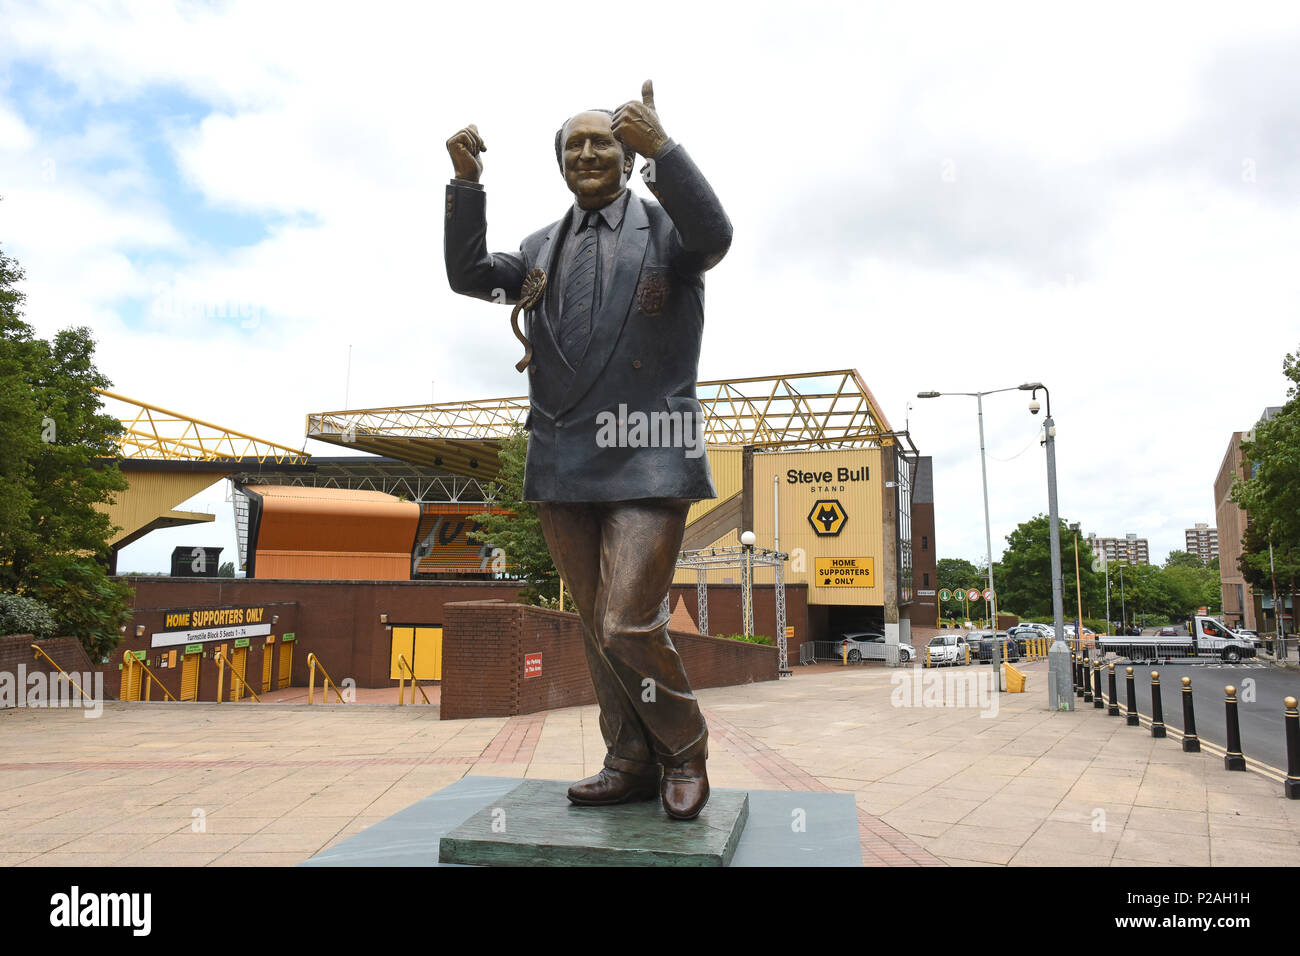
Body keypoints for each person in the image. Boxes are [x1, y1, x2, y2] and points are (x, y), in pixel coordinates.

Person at [443, 81, 732, 820]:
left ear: (628, 155)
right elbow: (470, 276)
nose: (587, 153)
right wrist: (466, 186)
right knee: (597, 628)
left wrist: (666, 148)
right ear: (561, 165)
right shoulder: (542, 246)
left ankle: (684, 746)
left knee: (628, 623)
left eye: (602, 140)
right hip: (566, 456)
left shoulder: (668, 230)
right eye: (573, 146)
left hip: (649, 450)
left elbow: (716, 235)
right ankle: (629, 757)